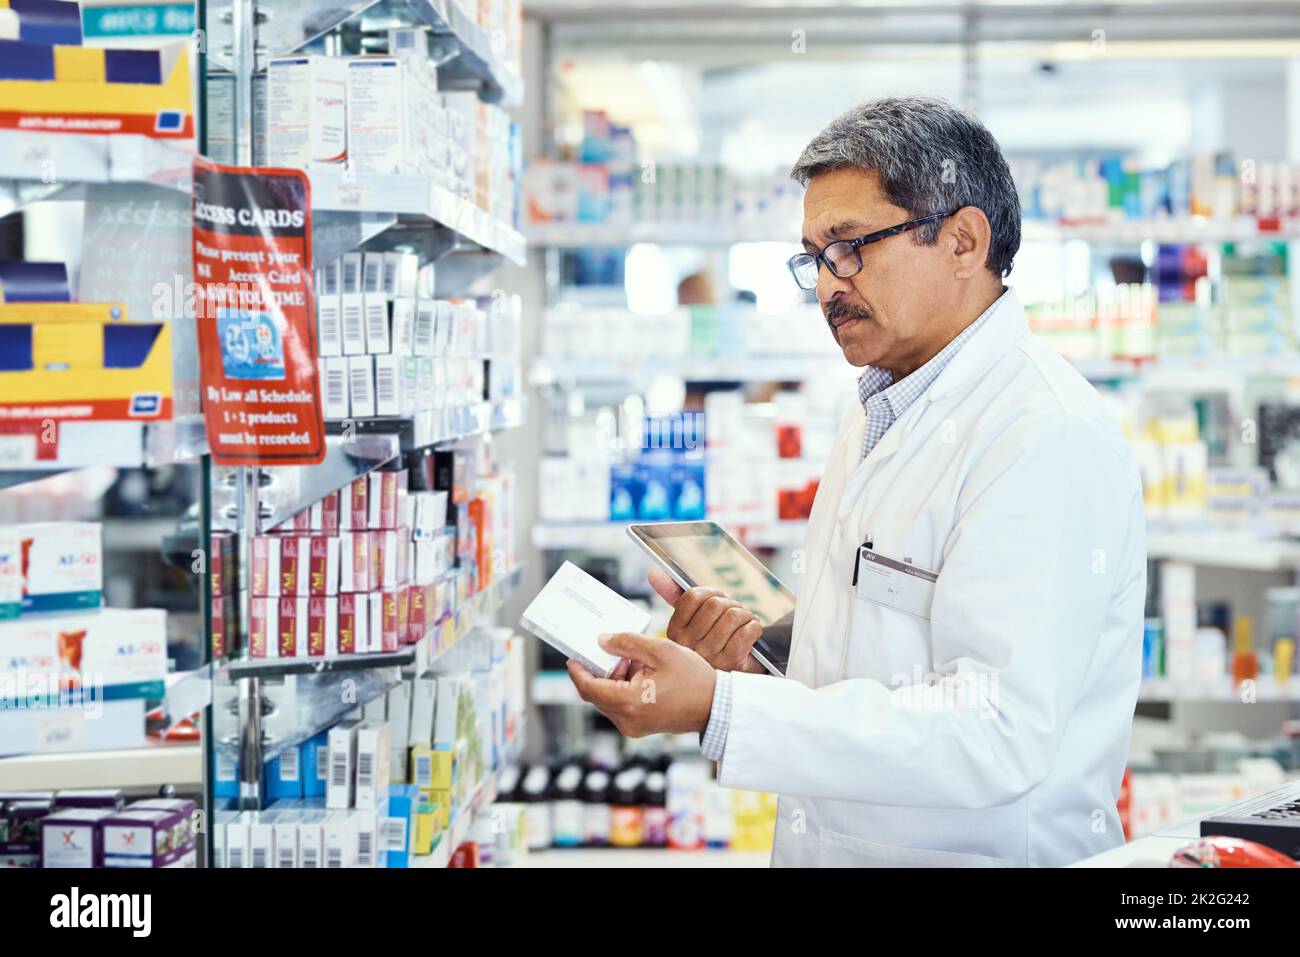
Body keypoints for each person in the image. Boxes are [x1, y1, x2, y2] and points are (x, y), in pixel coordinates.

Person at [566, 95, 1146, 868]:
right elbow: (884, 651)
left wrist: (720, 708)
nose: (827, 285)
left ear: (964, 242)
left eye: (849, 246)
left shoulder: (1043, 432)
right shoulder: (886, 396)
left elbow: (996, 728)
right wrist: (757, 653)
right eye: (813, 257)